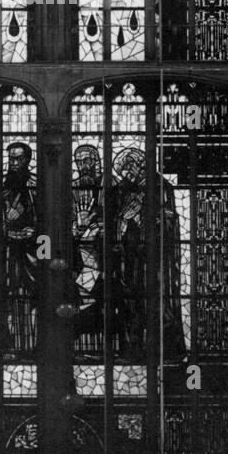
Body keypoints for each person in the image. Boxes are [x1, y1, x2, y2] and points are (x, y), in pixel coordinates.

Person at [112, 146, 185, 360]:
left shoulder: (161, 186)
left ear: (140, 164)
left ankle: (165, 351)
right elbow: (118, 221)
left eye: (128, 166)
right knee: (131, 301)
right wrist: (124, 219)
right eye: (122, 169)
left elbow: (168, 220)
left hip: (156, 259)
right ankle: (133, 349)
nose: (125, 173)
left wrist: (144, 217)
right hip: (131, 257)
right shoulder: (125, 190)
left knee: (158, 302)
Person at [3, 141, 37, 353]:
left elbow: (48, 218)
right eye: (11, 159)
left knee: (33, 296)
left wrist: (35, 231)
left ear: (27, 160)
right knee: (10, 295)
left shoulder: (36, 185)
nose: (14, 163)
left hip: (34, 249)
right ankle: (13, 345)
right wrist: (3, 226)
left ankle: (34, 346)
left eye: (18, 159)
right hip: (6, 250)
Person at [71, 143, 104, 345]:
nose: (84, 165)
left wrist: (95, 226)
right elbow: (59, 222)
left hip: (103, 251)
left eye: (89, 160)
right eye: (80, 161)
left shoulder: (108, 187)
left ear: (97, 162)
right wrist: (78, 226)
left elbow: (117, 218)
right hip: (75, 253)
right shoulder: (72, 188)